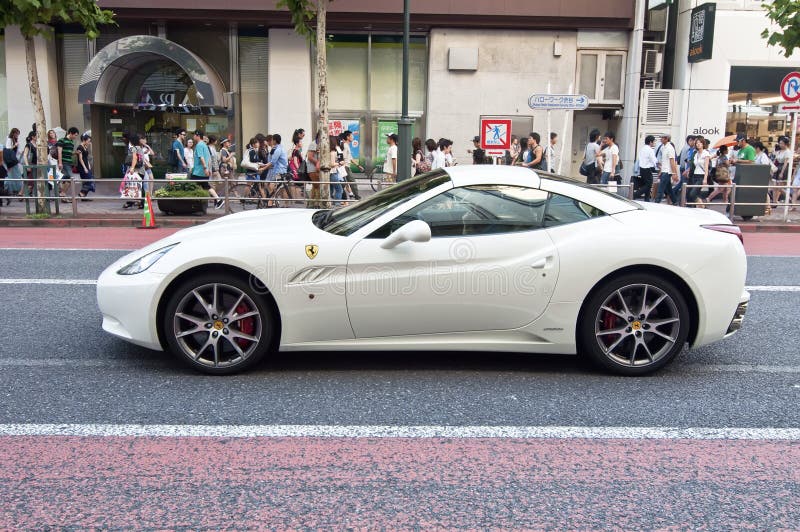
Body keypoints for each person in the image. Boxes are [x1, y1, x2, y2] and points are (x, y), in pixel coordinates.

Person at [190, 129, 223, 209]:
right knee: (205, 186)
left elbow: (201, 157)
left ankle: (196, 204)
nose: (193, 136)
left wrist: (205, 168)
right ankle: (216, 200)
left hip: (199, 171)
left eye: (194, 135)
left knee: (193, 186)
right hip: (202, 171)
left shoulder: (199, 145)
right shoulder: (204, 145)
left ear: (197, 136)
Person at [654, 134, 680, 204]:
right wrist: (660, 171)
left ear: (666, 139)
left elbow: (672, 161)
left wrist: (674, 173)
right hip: (664, 170)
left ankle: (656, 202)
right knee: (668, 189)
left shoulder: (670, 148)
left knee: (661, 188)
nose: (661, 139)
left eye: (662, 138)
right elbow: (664, 161)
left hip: (667, 171)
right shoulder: (663, 147)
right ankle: (675, 201)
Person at [56, 127, 79, 202]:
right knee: (71, 178)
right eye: (75, 135)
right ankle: (62, 193)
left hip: (69, 163)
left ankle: (61, 191)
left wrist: (75, 153)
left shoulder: (71, 143)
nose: (75, 137)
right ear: (70, 133)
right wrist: (60, 163)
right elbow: (59, 152)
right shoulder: (61, 141)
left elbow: (69, 153)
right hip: (64, 163)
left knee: (65, 177)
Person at [687, 136, 710, 208]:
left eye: (700, 142)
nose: (698, 144)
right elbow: (694, 166)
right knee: (696, 194)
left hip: (701, 176)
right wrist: (689, 171)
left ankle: (704, 207)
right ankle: (700, 209)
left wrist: (705, 179)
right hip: (695, 175)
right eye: (697, 143)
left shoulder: (706, 153)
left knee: (692, 194)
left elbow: (706, 167)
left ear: (703, 144)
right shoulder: (696, 154)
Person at [634, 135, 657, 201]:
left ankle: (647, 199)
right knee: (648, 185)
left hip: (642, 169)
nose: (654, 143)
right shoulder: (650, 150)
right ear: (650, 142)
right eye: (654, 142)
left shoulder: (642, 148)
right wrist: (658, 164)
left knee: (646, 184)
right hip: (647, 169)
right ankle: (635, 195)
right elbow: (653, 159)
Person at [4, 128, 24, 200]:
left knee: (16, 174)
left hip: (15, 160)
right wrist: (15, 145)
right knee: (10, 175)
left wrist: (21, 151)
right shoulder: (9, 139)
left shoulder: (16, 140)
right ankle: (7, 189)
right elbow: (8, 149)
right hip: (10, 160)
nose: (17, 135)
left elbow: (17, 151)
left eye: (18, 134)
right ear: (13, 133)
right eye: (16, 134)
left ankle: (15, 190)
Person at [341, 130, 363, 196]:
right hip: (345, 167)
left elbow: (350, 158)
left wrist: (358, 165)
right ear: (348, 137)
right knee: (352, 182)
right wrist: (343, 167)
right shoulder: (345, 146)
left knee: (344, 183)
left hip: (346, 167)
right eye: (351, 136)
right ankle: (357, 196)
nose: (353, 137)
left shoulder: (347, 145)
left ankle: (352, 196)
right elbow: (343, 157)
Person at [74, 133, 95, 200]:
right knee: (89, 180)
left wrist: (88, 165)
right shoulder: (79, 147)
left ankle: (84, 196)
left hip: (86, 165)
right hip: (82, 167)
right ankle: (81, 193)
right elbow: (80, 159)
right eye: (88, 141)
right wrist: (85, 168)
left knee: (86, 181)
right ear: (84, 140)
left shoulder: (85, 147)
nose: (89, 143)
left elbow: (86, 158)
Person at [306, 132, 321, 208]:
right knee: (317, 186)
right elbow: (310, 157)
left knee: (315, 187)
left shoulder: (319, 143)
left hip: (316, 168)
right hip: (312, 168)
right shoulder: (313, 144)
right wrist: (317, 162)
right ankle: (316, 204)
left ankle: (311, 204)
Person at [329, 134, 346, 203]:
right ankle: (337, 203)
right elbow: (332, 164)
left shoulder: (330, 151)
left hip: (331, 172)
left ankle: (331, 202)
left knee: (331, 189)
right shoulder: (333, 152)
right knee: (339, 189)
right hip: (333, 172)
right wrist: (339, 163)